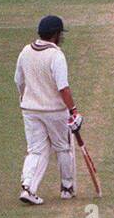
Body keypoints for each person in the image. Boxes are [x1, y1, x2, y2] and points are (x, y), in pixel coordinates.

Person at [15, 15, 82, 205]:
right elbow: (63, 87)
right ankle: (67, 189)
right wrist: (74, 111)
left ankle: (28, 187)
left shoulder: (25, 51)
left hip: (30, 109)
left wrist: (25, 98)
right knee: (63, 147)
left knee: (35, 151)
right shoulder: (56, 55)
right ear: (55, 35)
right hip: (54, 111)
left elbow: (18, 81)